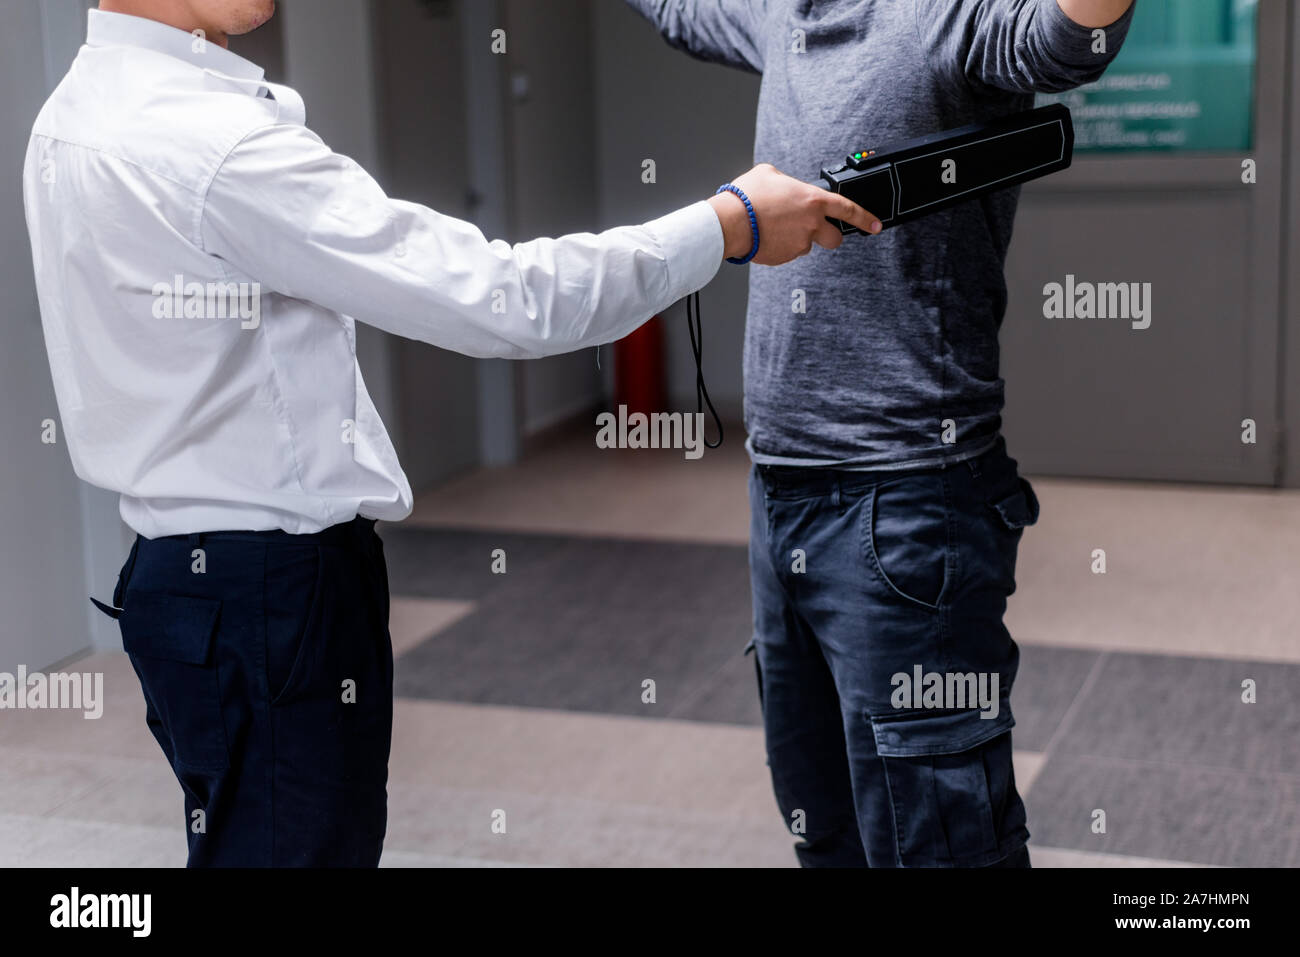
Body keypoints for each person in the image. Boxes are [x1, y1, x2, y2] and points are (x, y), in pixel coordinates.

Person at [22, 0, 879, 867]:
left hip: (174, 588)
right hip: (271, 595)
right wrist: (727, 224)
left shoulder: (71, 116)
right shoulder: (211, 144)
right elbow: (505, 299)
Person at [628, 0, 1136, 867]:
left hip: (905, 501)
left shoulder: (948, 16)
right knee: (823, 826)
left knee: (937, 843)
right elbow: (678, 10)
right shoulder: (777, 12)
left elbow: (1065, 36)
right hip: (778, 492)